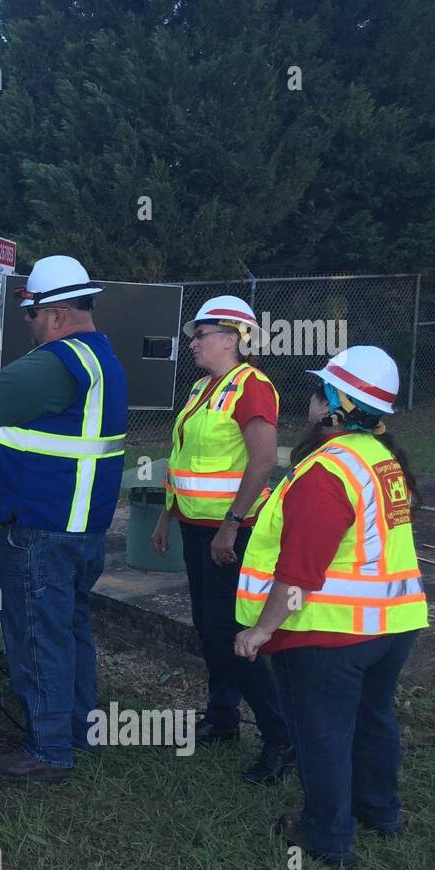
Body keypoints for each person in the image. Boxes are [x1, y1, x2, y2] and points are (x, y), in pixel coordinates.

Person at [0, 255, 128, 783]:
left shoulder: (56, 362)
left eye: (32, 316)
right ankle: (79, 729)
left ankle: (48, 751)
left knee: (39, 635)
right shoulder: (102, 358)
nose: (30, 327)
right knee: (70, 631)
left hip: (43, 529)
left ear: (56, 314)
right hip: (81, 529)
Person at [234, 346, 427, 868]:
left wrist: (260, 631)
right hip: (394, 623)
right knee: (373, 719)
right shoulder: (382, 459)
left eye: (319, 392)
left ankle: (326, 836)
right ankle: (381, 812)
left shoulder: (324, 472)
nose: (311, 402)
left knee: (324, 734)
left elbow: (299, 573)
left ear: (335, 405)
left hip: (330, 633)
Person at [152, 297, 293, 783]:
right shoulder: (201, 387)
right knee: (208, 627)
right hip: (196, 529)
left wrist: (231, 524)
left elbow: (263, 461)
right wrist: (166, 516)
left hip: (232, 534)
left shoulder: (251, 387)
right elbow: (185, 458)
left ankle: (280, 737)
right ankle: (223, 717)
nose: (192, 341)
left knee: (232, 632)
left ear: (232, 338)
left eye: (202, 333)